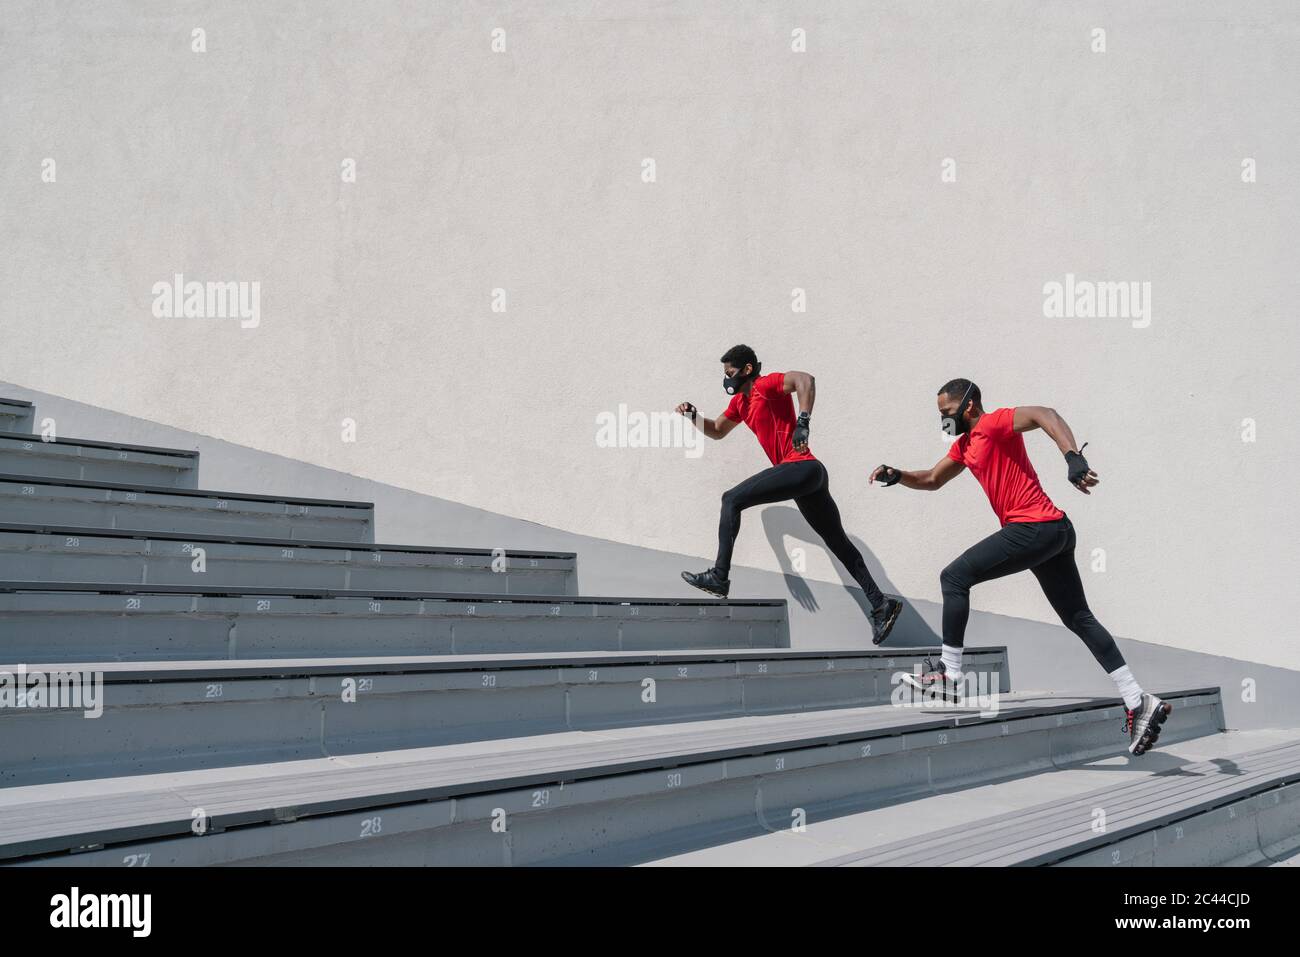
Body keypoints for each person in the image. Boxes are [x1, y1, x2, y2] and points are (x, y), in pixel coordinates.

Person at [870, 379, 1170, 756]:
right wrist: (898, 476)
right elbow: (931, 479)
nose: (943, 421)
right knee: (1078, 616)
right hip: (1055, 531)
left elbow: (1046, 415)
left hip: (1033, 528)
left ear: (968, 405)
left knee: (954, 577)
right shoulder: (964, 446)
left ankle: (950, 673)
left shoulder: (994, 423)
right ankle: (1138, 699)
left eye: (946, 413)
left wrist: (1073, 457)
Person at [677, 344, 904, 645]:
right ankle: (881, 604)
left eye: (730, 373)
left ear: (746, 369)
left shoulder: (765, 385)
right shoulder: (740, 406)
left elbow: (805, 380)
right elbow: (718, 430)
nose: (726, 379)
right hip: (806, 477)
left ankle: (719, 576)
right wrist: (694, 417)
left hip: (802, 468)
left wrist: (803, 423)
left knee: (731, 499)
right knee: (837, 542)